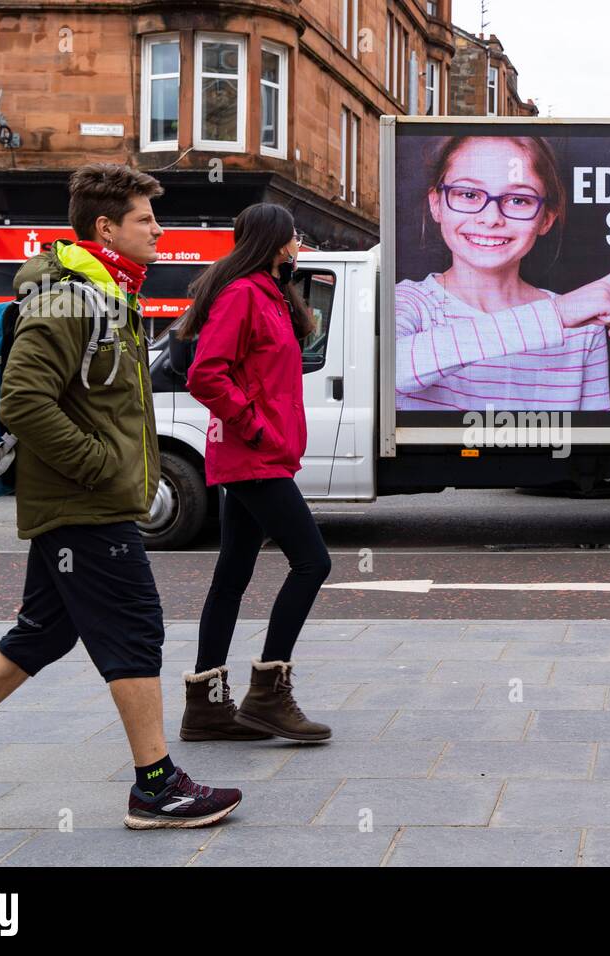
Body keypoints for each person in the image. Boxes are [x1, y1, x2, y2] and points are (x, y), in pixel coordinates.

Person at [0, 164, 241, 829]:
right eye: (145, 219)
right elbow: (23, 399)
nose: (159, 230)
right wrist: (100, 465)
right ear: (104, 227)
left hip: (83, 501)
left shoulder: (105, 292)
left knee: (43, 632)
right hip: (84, 502)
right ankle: (156, 786)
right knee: (136, 627)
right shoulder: (68, 299)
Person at [178, 202, 333, 743]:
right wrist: (258, 428)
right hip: (253, 457)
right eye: (294, 237)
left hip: (255, 455)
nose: (299, 245)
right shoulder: (245, 294)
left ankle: (207, 709)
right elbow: (206, 374)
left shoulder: (268, 294)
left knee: (232, 575)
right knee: (312, 562)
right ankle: (268, 693)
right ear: (277, 241)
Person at [395, 134, 610, 411]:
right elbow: (391, 368)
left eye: (518, 200)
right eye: (468, 195)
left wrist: (562, 316)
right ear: (436, 204)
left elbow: (591, 444)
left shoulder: (582, 330)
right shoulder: (410, 302)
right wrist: (557, 315)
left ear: (546, 219)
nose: (491, 218)